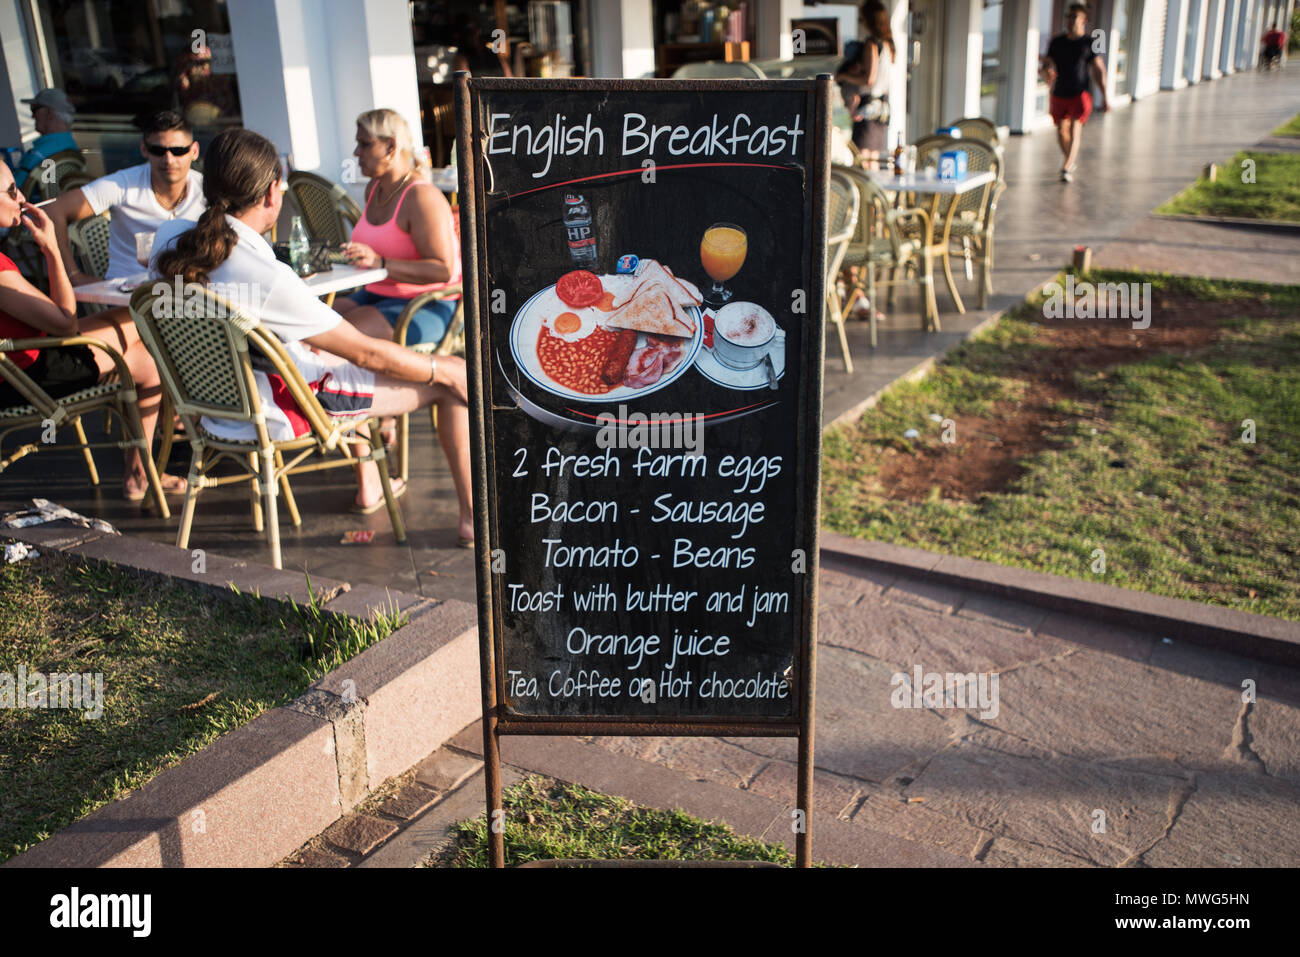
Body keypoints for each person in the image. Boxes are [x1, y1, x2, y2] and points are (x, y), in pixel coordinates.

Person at [151, 128, 474, 543]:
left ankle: (372, 481)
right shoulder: (266, 275)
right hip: (282, 408)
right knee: (449, 383)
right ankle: (471, 519)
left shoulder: (170, 239)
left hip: (210, 408)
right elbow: (368, 355)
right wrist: (443, 369)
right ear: (272, 193)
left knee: (343, 351)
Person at [0, 161, 185, 501]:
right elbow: (66, 321)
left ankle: (141, 472)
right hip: (27, 377)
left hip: (19, 364)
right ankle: (178, 432)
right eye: (12, 190)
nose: (22, 197)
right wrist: (52, 248)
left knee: (144, 353)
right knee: (142, 326)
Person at [334, 109, 461, 352]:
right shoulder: (375, 188)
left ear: (390, 147)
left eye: (364, 144)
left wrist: (380, 262)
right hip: (377, 294)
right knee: (315, 322)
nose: (356, 153)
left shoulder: (421, 197)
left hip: (427, 304)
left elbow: (443, 270)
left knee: (339, 337)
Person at [48, 110, 205, 281]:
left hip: (189, 291)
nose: (168, 159)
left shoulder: (207, 190)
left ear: (194, 151)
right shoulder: (122, 184)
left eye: (178, 150)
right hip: (129, 295)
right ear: (144, 150)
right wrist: (73, 275)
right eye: (158, 150)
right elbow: (54, 211)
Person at [1041, 3, 1109, 183]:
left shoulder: (1090, 42)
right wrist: (1047, 70)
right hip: (1059, 92)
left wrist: (1105, 96)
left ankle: (1066, 167)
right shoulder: (1057, 42)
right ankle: (1069, 161)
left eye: (1074, 17)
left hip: (1080, 93)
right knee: (1061, 131)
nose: (1070, 21)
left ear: (1083, 20)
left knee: (1074, 127)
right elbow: (1047, 64)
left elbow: (1099, 69)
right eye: (1068, 17)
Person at [834, 1, 896, 168]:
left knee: (861, 161)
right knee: (873, 161)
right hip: (882, 109)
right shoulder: (889, 44)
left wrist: (844, 76)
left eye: (862, 19)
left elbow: (869, 79)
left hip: (868, 107)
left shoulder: (872, 43)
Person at [6, 89, 79, 200]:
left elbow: (13, 188)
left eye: (34, 109)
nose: (32, 116)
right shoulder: (72, 147)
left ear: (49, 113)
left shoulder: (41, 152)